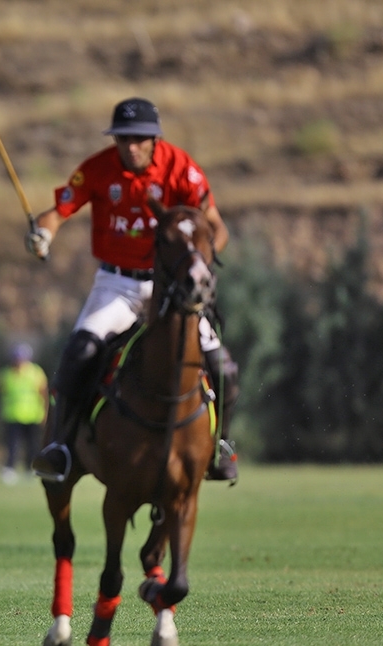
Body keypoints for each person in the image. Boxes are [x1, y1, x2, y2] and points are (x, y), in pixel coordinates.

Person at [24, 97, 239, 483]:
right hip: (117, 284)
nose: (132, 146)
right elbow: (58, 212)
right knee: (80, 351)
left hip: (170, 287)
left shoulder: (181, 169)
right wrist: (44, 233)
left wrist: (200, 263)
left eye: (140, 138)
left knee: (222, 366)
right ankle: (60, 445)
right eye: (124, 139)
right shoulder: (98, 168)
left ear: (155, 139)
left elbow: (216, 228)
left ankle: (221, 445)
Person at [0, 343, 49, 484]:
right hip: (12, 416)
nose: (19, 362)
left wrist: (45, 413)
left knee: (32, 445)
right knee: (12, 445)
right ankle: (10, 470)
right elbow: (3, 392)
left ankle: (30, 469)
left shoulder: (36, 373)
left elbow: (43, 394)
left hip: (32, 415)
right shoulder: (6, 374)